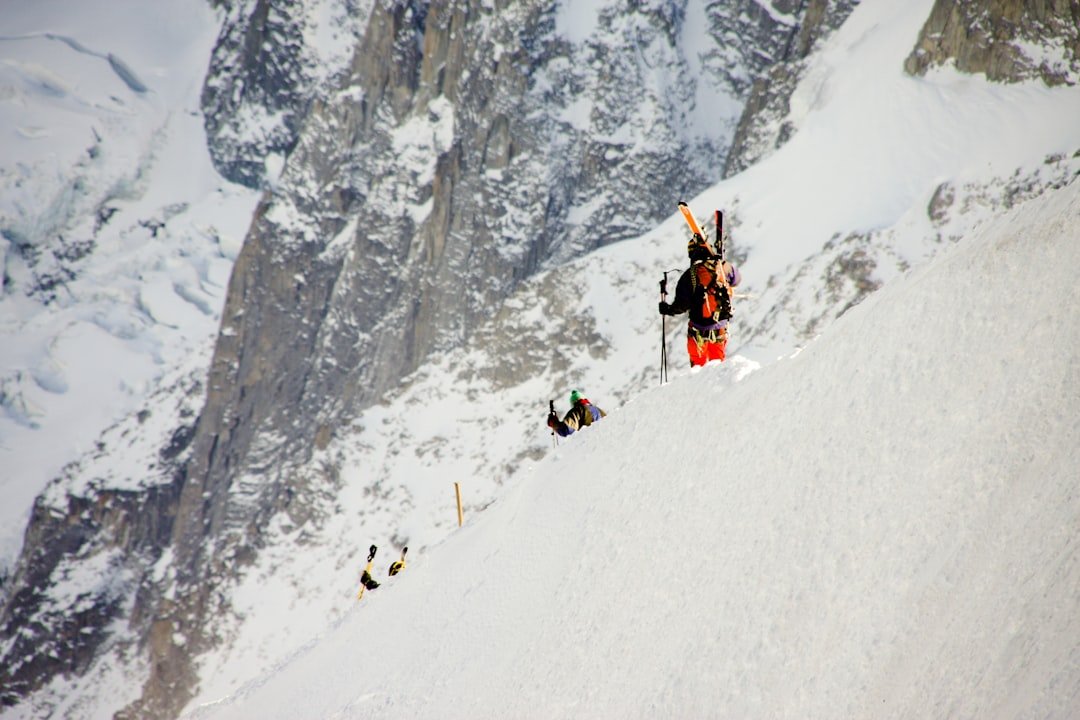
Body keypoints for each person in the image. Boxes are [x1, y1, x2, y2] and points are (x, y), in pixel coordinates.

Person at [659, 234, 741, 367]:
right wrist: (723, 262)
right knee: (718, 365)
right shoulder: (721, 267)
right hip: (720, 329)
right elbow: (737, 280)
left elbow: (682, 305)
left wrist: (667, 309)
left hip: (698, 331)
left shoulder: (690, 275)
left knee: (697, 368)